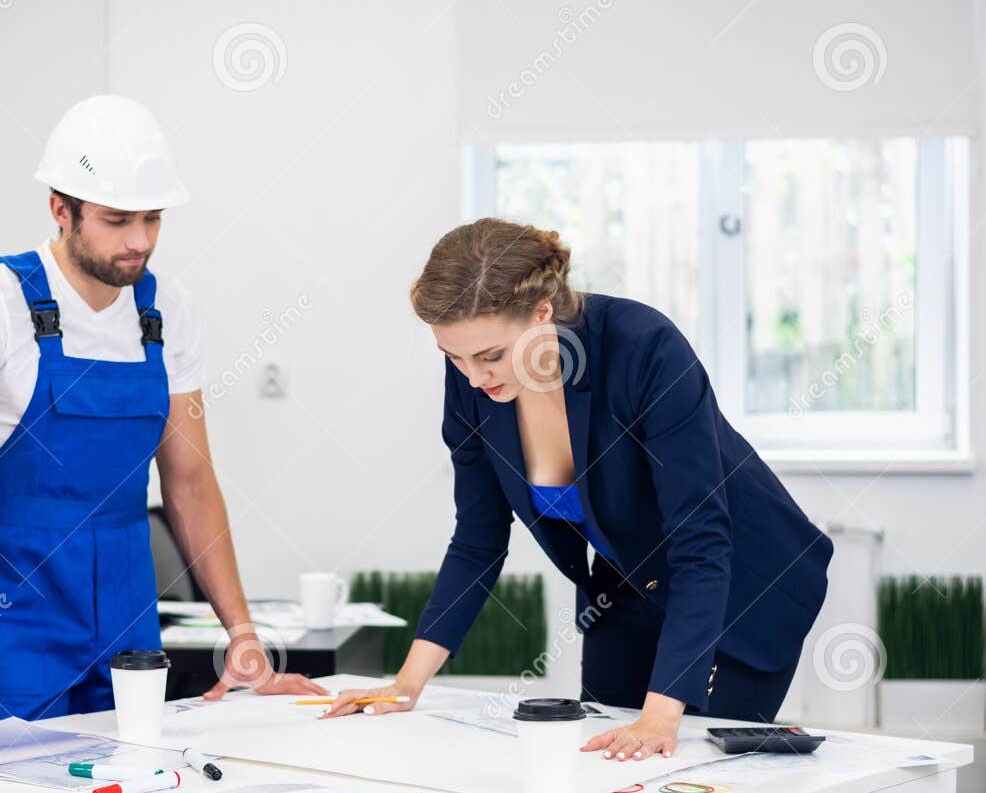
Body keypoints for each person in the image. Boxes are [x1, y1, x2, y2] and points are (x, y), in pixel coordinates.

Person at [323, 218, 833, 759]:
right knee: (600, 764)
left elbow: (702, 541)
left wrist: (660, 715)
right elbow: (478, 536)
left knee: (689, 767)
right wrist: (407, 682)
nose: (472, 377)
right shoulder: (474, 380)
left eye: (490, 356)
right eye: (452, 357)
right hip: (626, 582)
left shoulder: (644, 348)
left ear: (541, 314)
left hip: (743, 582)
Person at [0, 95, 325, 731]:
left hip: (127, 620)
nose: (139, 241)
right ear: (60, 209)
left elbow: (189, 480)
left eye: (152, 219)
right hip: (7, 620)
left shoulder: (165, 312)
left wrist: (240, 634)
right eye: (117, 219)